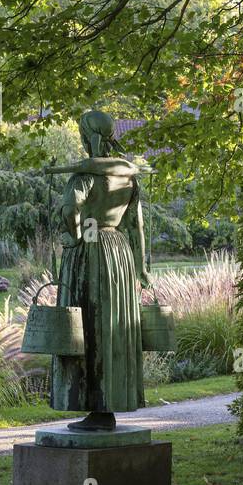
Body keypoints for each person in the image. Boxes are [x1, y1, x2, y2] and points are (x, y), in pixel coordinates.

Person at [48, 110, 150, 431]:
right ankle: (109, 404)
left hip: (89, 251)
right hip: (119, 251)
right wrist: (141, 267)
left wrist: (75, 236)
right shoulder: (127, 176)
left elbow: (70, 210)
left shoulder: (85, 175)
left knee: (88, 325)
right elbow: (136, 226)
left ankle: (94, 406)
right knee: (114, 327)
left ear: (86, 135)